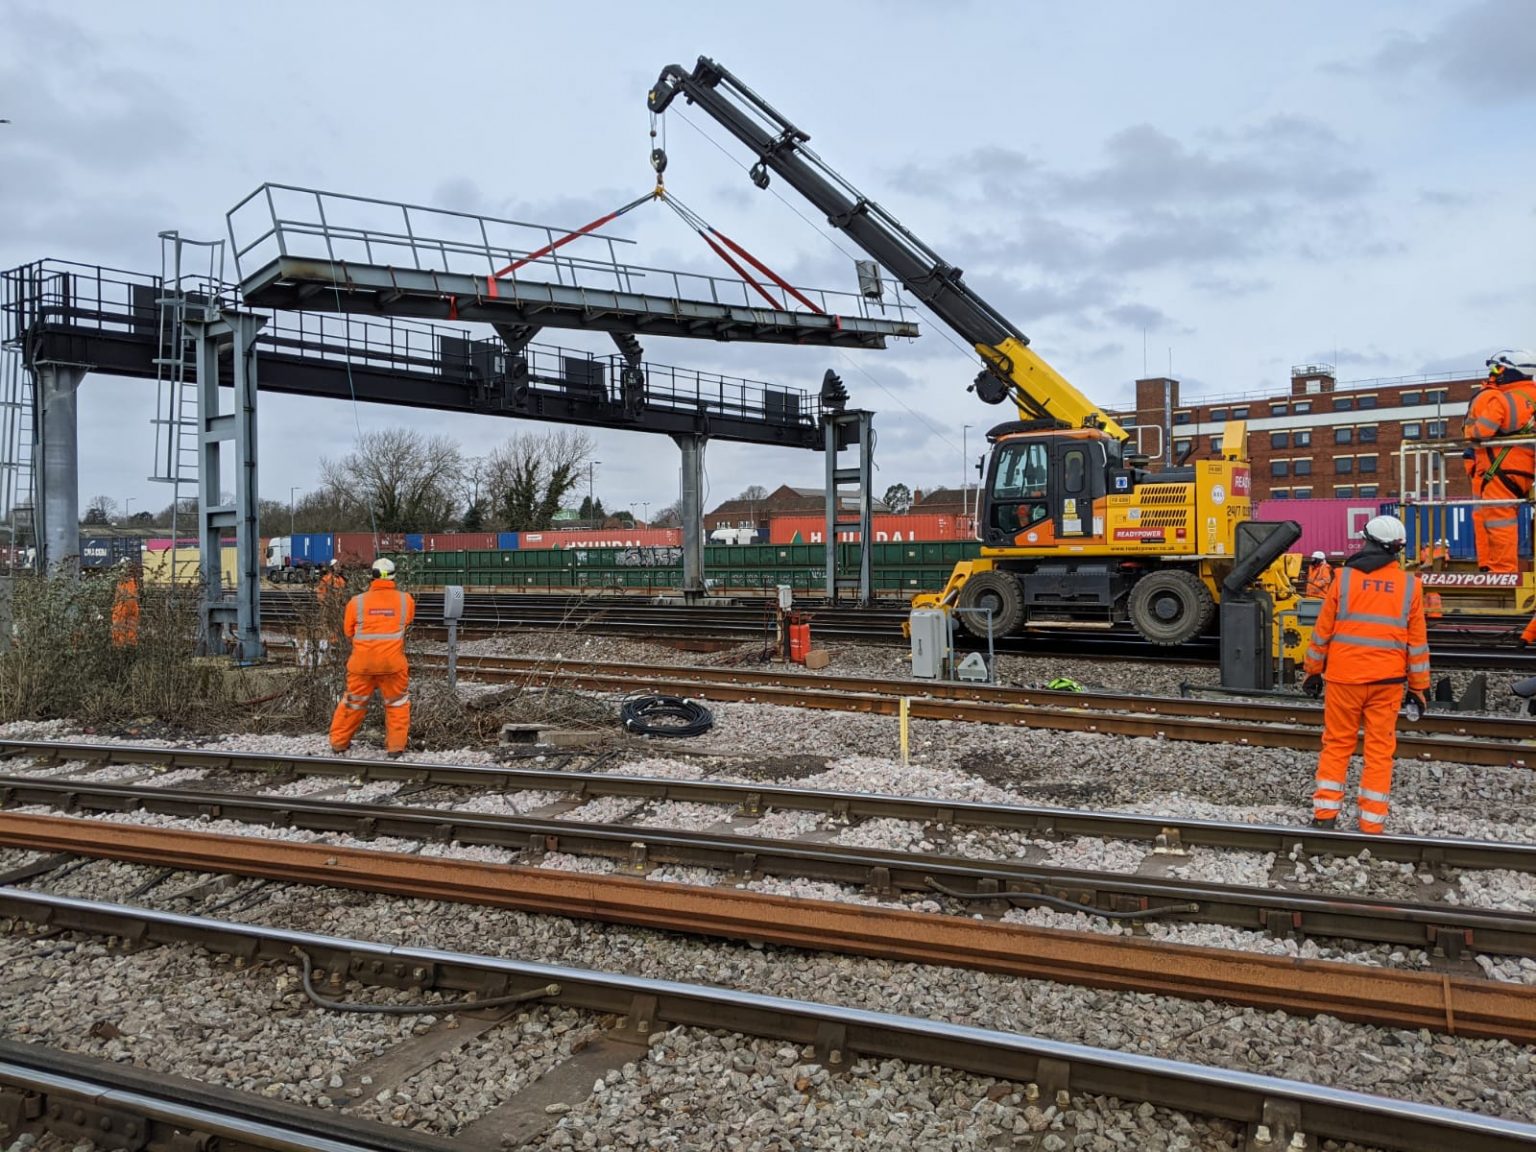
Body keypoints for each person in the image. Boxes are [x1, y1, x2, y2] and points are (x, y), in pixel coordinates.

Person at [1301, 514, 1430, 834]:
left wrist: (1312, 672)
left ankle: (1326, 815)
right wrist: (1419, 688)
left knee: (1336, 745)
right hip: (1387, 683)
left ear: (1368, 542)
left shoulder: (1342, 579)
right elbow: (1417, 644)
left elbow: (1322, 633)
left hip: (1344, 680)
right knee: (1379, 751)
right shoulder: (1410, 587)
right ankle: (1371, 824)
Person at [329, 558, 416, 758]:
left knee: (353, 703)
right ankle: (395, 748)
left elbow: (348, 631)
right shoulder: (406, 600)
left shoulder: (356, 602)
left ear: (372, 576)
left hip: (362, 664)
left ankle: (339, 743)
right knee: (397, 705)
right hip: (393, 665)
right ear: (394, 576)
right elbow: (407, 622)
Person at [1462, 349, 1536, 573]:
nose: (1494, 373)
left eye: (1498, 369)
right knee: (1505, 520)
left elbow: (1480, 432)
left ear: (1512, 372)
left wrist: (1469, 428)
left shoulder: (1503, 400)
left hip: (1500, 469)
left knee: (1500, 523)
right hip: (1525, 470)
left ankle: (1502, 572)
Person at [111, 559, 140, 647]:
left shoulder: (122, 582)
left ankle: (120, 646)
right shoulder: (133, 581)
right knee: (131, 628)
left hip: (122, 608)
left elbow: (117, 597)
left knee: (120, 628)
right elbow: (137, 595)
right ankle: (130, 646)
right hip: (132, 607)